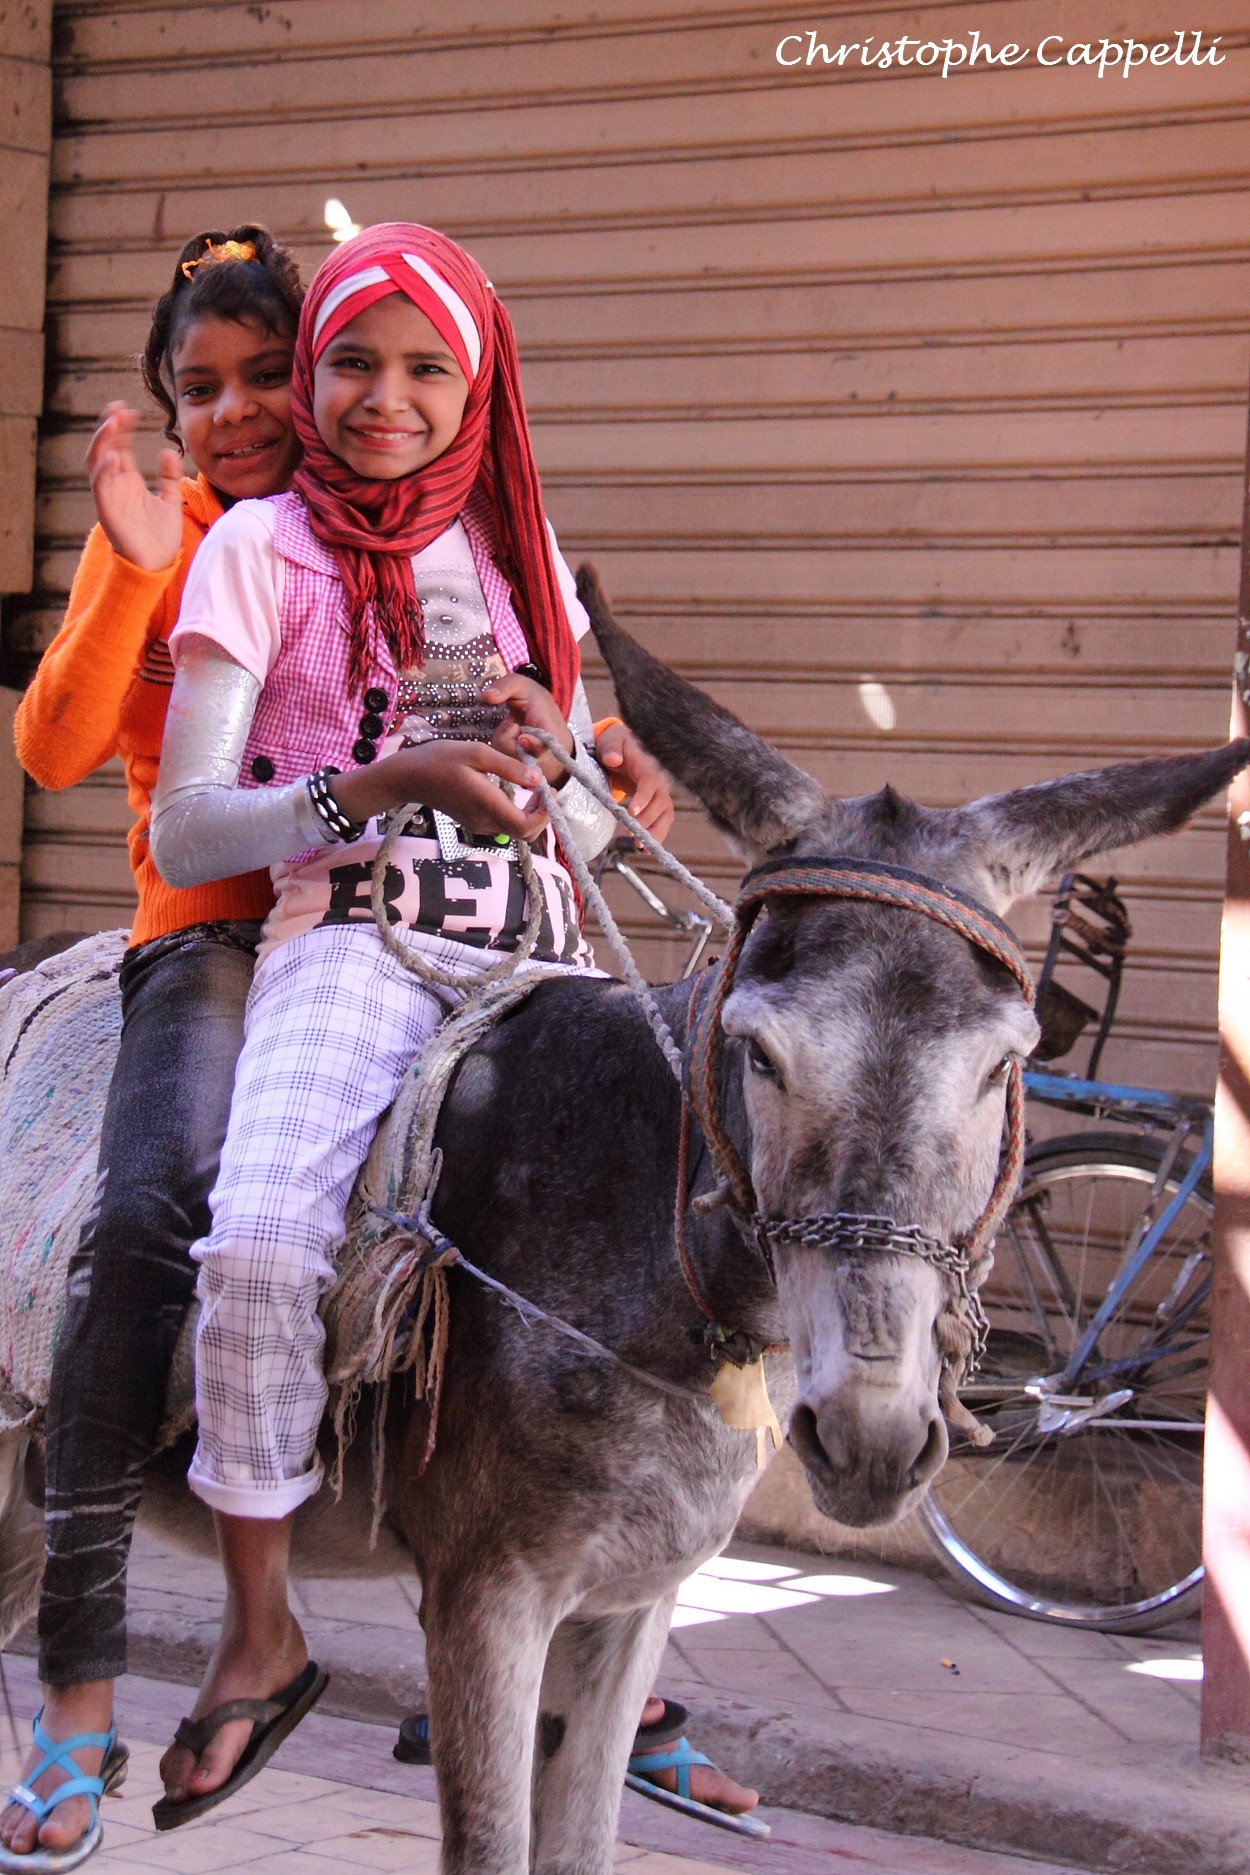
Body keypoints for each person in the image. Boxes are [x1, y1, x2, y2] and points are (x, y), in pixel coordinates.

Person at [142, 221, 705, 1830]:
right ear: (310, 377)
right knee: (256, 1242)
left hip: (539, 955)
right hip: (360, 947)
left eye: (425, 369)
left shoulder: (516, 546)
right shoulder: (259, 550)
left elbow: (566, 825)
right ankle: (261, 1628)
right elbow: (190, 834)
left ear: (479, 389)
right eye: (353, 364)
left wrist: (595, 781)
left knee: (696, 1218)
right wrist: (370, 787)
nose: (385, 399)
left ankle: (619, 1602)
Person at [0, 227, 307, 1872]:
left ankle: (621, 1662)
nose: (239, 411)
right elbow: (51, 747)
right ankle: (82, 1684)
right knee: (141, 1221)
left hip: (385, 930)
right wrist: (128, 557)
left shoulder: (374, 526)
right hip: (207, 936)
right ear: (163, 406)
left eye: (268, 376)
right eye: (201, 388)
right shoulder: (168, 522)